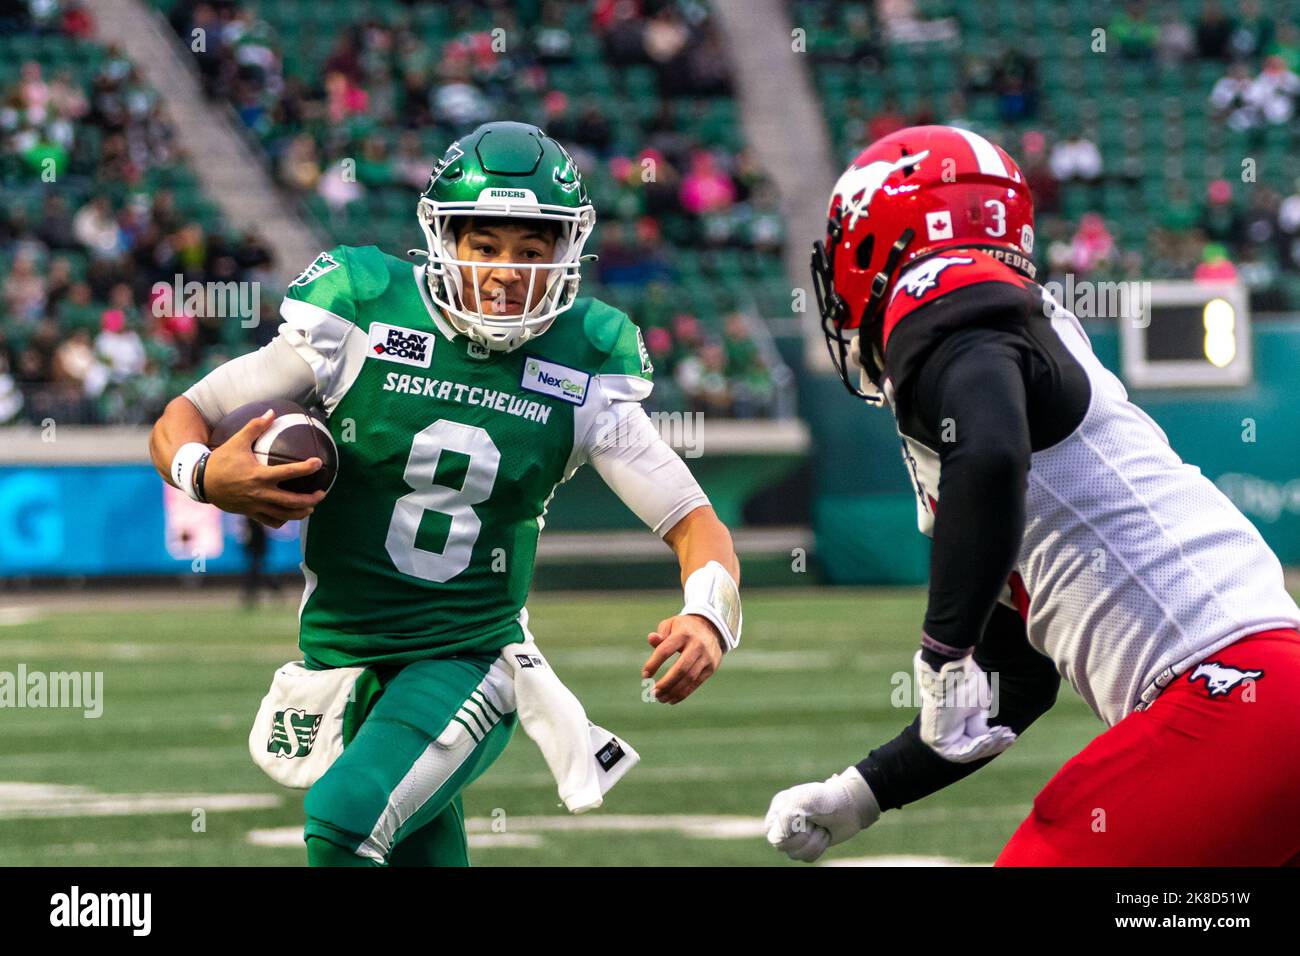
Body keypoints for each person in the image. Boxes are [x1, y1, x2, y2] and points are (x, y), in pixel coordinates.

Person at [149, 122, 742, 866]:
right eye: (485, 245)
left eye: (533, 251)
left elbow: (693, 521)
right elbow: (183, 416)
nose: (507, 272)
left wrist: (707, 617)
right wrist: (204, 474)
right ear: (444, 239)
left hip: (468, 657)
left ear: (567, 255)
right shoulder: (361, 313)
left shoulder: (582, 364)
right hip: (345, 662)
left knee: (342, 820)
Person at [767, 124, 1300, 865]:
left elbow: (988, 459)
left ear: (875, 244)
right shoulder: (1009, 345)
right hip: (1267, 698)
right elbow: (1016, 680)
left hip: (1228, 696)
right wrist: (864, 790)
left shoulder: (946, 305)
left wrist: (940, 649)